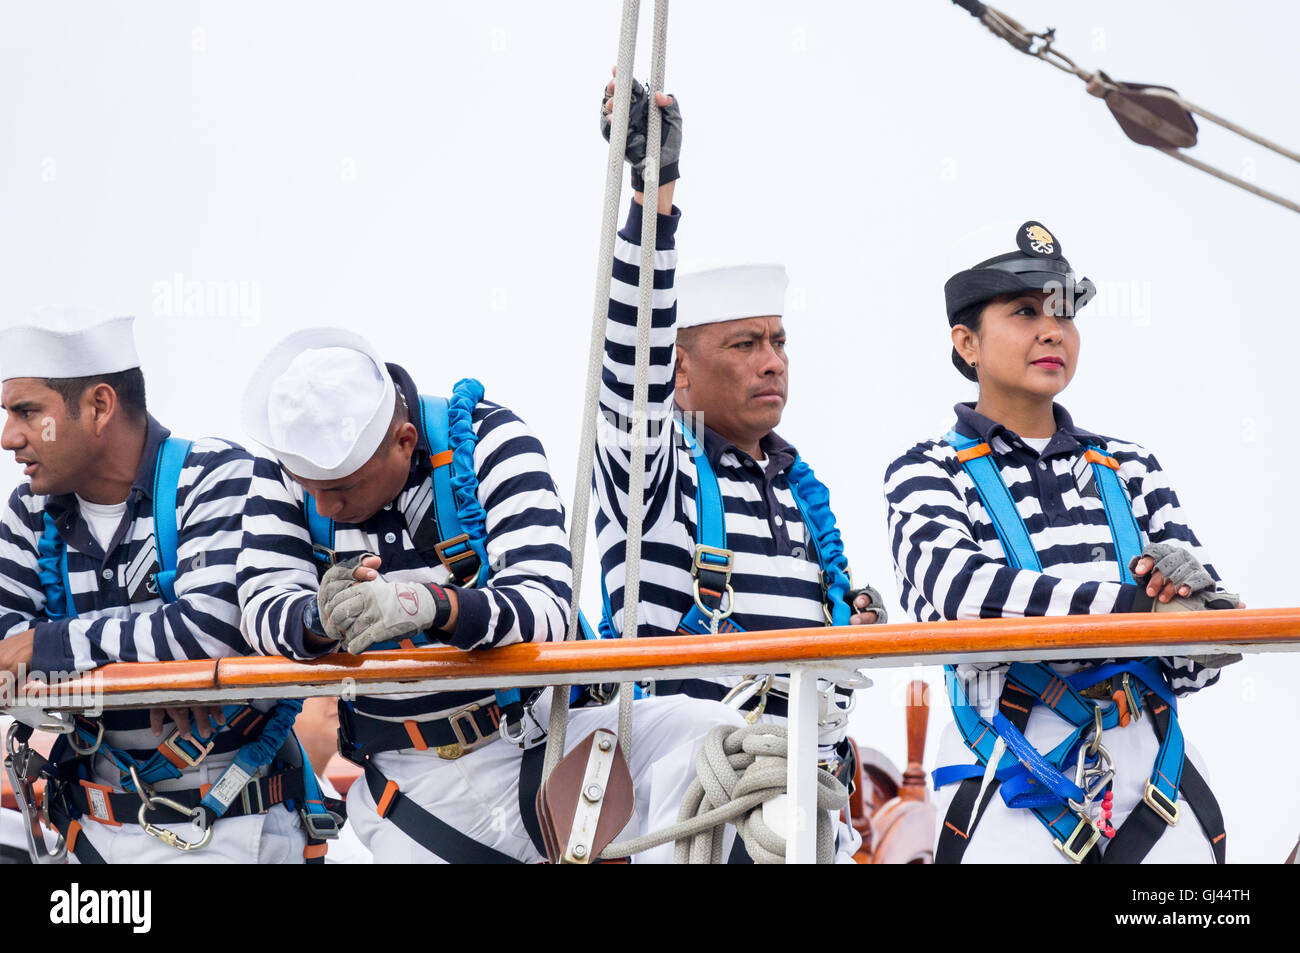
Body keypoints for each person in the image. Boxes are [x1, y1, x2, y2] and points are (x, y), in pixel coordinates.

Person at [238, 328, 743, 863]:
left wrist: (430, 606)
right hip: (411, 791)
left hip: (539, 743)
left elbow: (548, 605)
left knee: (712, 738)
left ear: (405, 440)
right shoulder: (286, 477)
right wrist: (319, 618)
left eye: (342, 491)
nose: (326, 508)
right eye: (313, 489)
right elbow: (259, 608)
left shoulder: (488, 441)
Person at [592, 76, 886, 862]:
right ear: (679, 373)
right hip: (688, 805)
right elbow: (628, 358)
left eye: (779, 342)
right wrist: (655, 198)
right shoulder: (653, 478)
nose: (772, 362)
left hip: (804, 809)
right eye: (745, 344)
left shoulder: (801, 491)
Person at [884, 222, 1239, 863]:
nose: (1053, 331)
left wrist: (1194, 599)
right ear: (965, 342)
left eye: (1065, 314)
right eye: (1025, 312)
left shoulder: (1131, 465)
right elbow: (965, 594)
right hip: (1005, 776)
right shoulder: (926, 470)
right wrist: (1142, 610)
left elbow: (1205, 647)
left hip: (1155, 776)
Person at [0, 311, 324, 863]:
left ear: (99, 406)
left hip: (229, 819)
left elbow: (209, 630)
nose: (10, 437)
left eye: (28, 412)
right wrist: (152, 674)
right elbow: (7, 656)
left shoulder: (221, 476)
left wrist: (51, 646)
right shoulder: (27, 512)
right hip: (88, 829)